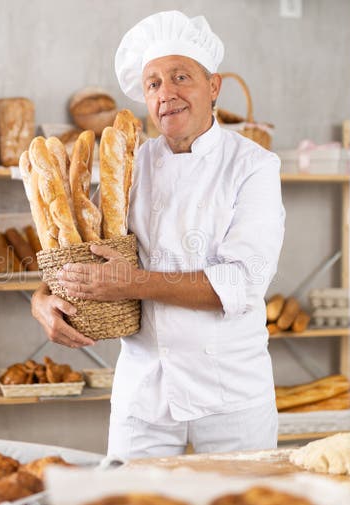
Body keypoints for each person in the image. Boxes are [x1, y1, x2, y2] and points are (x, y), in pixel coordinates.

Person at [30, 10, 285, 459]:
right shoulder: (131, 163)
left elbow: (243, 283)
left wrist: (131, 283)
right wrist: (43, 297)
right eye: (153, 83)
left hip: (229, 395)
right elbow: (87, 248)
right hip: (143, 391)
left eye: (180, 76)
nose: (166, 94)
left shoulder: (254, 167)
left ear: (214, 86)